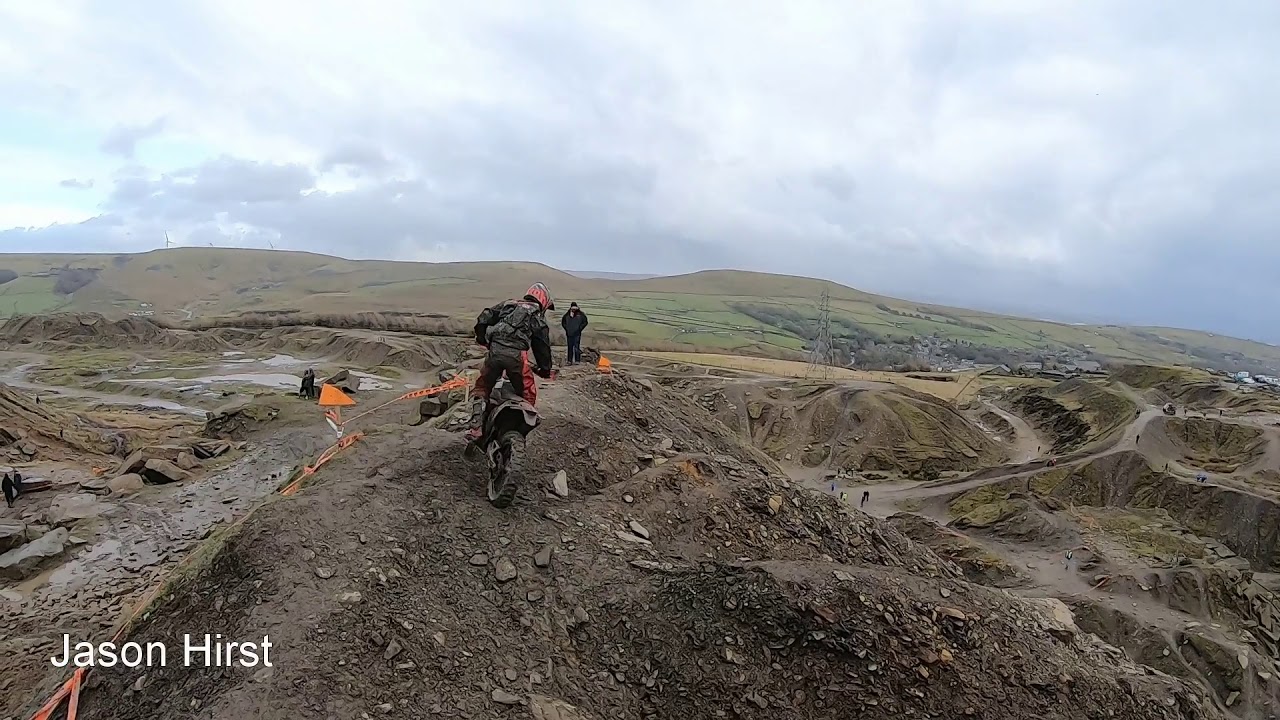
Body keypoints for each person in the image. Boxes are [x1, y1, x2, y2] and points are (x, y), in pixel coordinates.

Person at [467, 283, 555, 441]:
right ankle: (525, 430)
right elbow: (542, 346)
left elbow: (485, 316)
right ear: (544, 301)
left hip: (494, 352)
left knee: (482, 387)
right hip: (516, 357)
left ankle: (476, 427)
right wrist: (545, 369)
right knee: (528, 393)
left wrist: (482, 338)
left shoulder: (509, 304)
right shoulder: (536, 315)